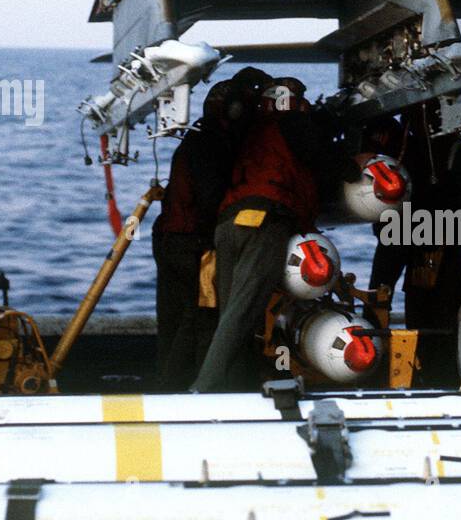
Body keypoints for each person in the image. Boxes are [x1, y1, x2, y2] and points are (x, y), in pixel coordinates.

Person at [191, 77, 360, 392]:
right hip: (265, 222)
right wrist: (351, 148)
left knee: (232, 313)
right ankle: (204, 389)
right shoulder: (293, 123)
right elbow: (330, 163)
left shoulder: (253, 130)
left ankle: (235, 389)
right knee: (241, 314)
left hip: (229, 225)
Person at [153, 68, 271, 390]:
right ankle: (187, 388)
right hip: (192, 247)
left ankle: (170, 385)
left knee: (176, 320)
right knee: (198, 318)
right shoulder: (211, 146)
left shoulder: (199, 140)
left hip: (173, 241)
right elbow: (211, 200)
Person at [369, 105, 461, 381]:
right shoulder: (408, 149)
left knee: (432, 310)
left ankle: (430, 372)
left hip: (437, 244)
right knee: (386, 298)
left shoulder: (455, 154)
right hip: (408, 235)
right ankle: (385, 361)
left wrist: (438, 245)